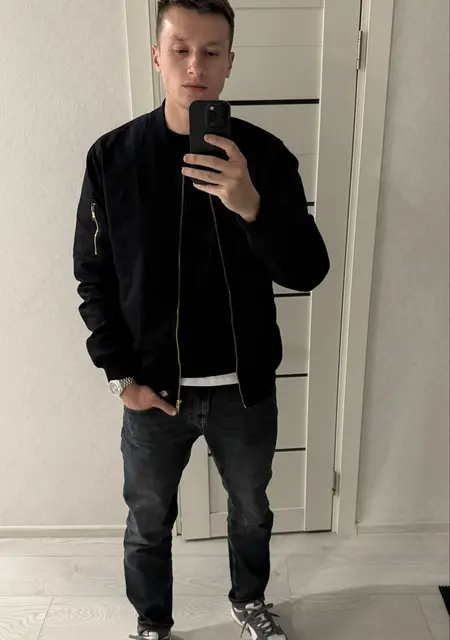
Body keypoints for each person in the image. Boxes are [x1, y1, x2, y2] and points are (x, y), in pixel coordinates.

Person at [73, 0, 330, 638]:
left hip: (244, 389)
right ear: (156, 57)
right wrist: (119, 377)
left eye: (211, 52)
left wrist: (251, 206)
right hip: (152, 390)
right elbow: (95, 277)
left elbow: (308, 270)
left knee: (251, 511)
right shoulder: (113, 158)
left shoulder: (265, 156)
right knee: (148, 520)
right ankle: (152, 624)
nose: (196, 66)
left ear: (230, 62)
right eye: (181, 49)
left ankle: (249, 602)